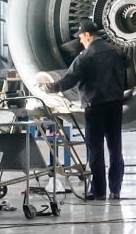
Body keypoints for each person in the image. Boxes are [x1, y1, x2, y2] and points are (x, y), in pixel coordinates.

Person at [40, 20, 130, 201]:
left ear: (88, 35)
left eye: (81, 37)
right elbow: (127, 67)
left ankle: (98, 191)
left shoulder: (86, 56)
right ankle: (115, 190)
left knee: (95, 150)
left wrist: (47, 88)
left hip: (95, 107)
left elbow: (68, 81)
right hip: (115, 106)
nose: (80, 41)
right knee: (115, 149)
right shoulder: (116, 51)